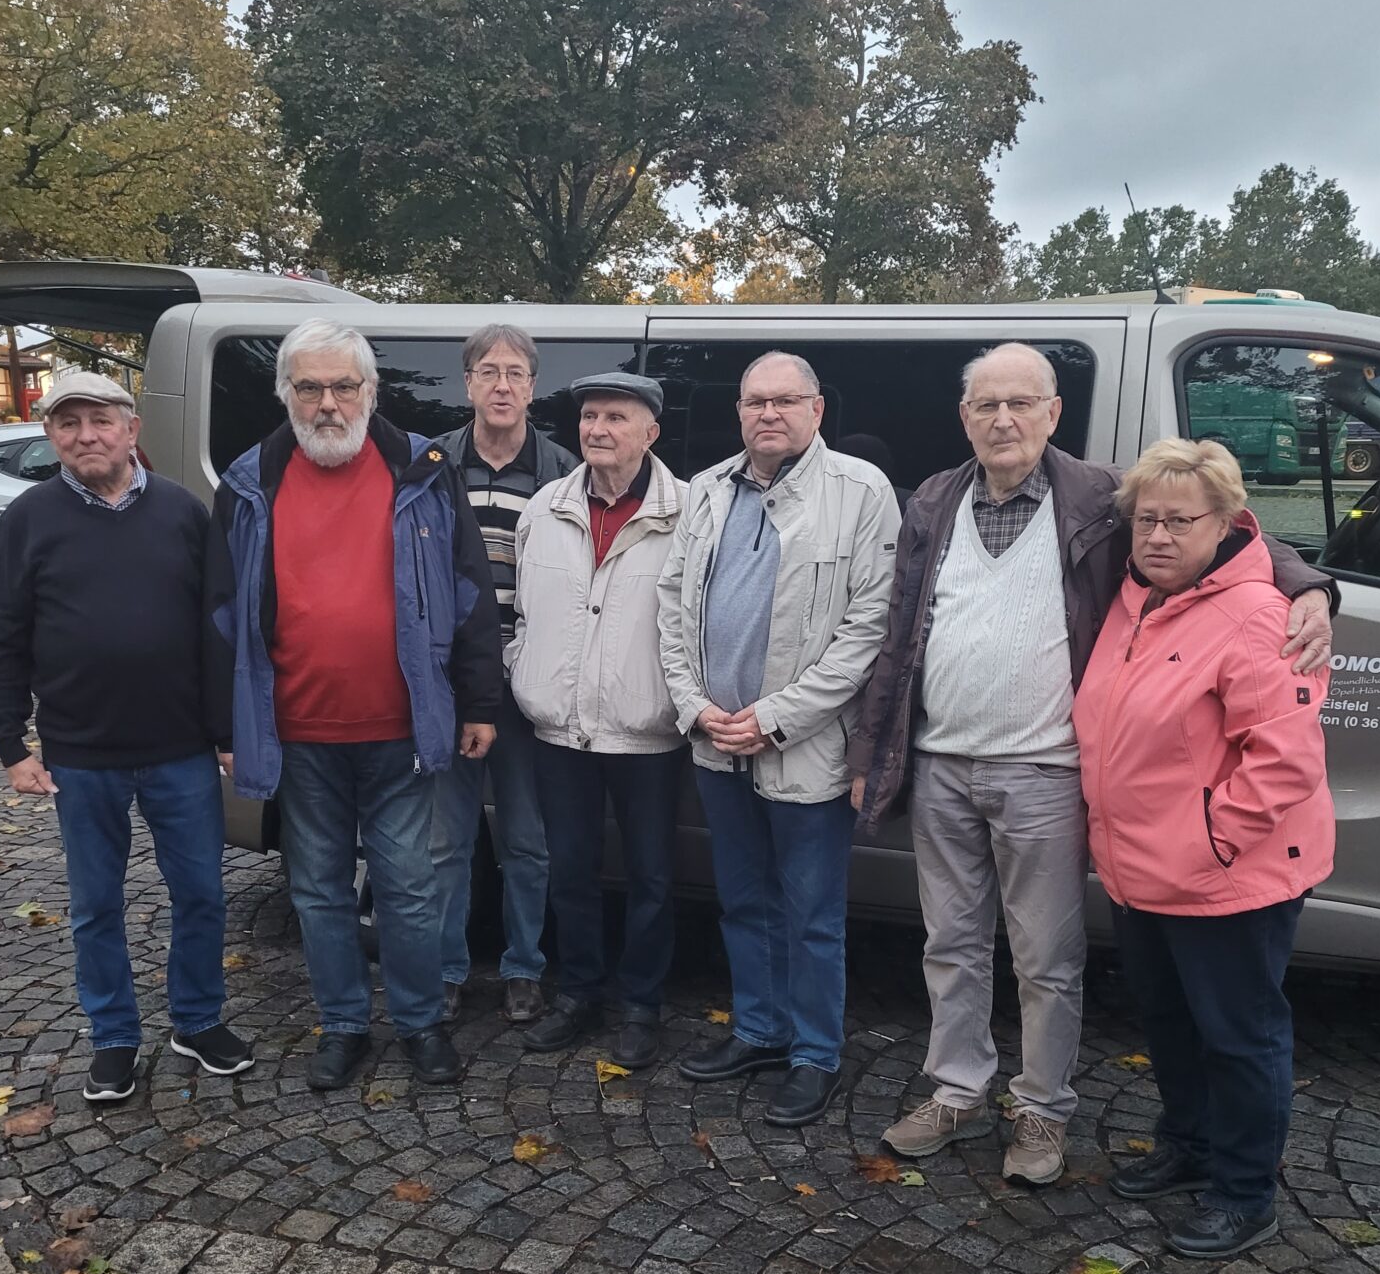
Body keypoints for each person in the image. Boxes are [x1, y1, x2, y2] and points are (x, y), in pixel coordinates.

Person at [850, 343, 1334, 1185]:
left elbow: (1215, 530)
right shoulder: (934, 498)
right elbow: (899, 639)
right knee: (951, 945)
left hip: (1044, 772)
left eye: (1022, 403)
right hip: (941, 764)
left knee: (1046, 958)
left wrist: (1311, 584)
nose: (1003, 419)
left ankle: (1042, 1112)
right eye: (986, 405)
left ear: (1053, 413)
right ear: (963, 418)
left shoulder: (1099, 498)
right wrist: (873, 749)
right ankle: (957, 1090)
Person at [208, 320, 501, 1091]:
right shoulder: (248, 482)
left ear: (370, 391)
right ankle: (342, 1025)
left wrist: (478, 701)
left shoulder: (424, 471)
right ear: (287, 395)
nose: (329, 403)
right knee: (317, 891)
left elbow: (471, 594)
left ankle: (418, 1022)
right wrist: (226, 727)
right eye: (311, 387)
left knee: (409, 888)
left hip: (401, 730)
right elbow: (218, 616)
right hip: (297, 735)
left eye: (344, 386)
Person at [1073, 439, 1334, 1257]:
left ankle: (1246, 1191)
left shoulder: (1258, 614)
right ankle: (1188, 1145)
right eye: (1146, 520)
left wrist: (1210, 844)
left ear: (1224, 523)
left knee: (1240, 1034)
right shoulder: (1135, 596)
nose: (1157, 536)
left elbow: (1284, 759)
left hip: (1228, 877)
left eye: (1179, 522)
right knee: (1170, 1021)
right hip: (1140, 868)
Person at [0, 370, 252, 1104]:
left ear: (132, 429)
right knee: (95, 904)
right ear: (51, 438)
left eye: (100, 420)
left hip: (180, 751)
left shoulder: (182, 513)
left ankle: (196, 1021)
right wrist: (11, 744)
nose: (86, 435)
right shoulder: (28, 519)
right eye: (68, 424)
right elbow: (2, 637)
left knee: (200, 895)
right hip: (81, 755)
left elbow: (216, 629)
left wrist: (227, 731)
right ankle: (114, 1037)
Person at [657, 351, 900, 1125]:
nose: (770, 413)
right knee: (742, 902)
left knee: (812, 913)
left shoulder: (861, 492)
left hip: (804, 747)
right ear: (738, 410)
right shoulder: (705, 492)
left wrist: (776, 715)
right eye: (756, 401)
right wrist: (695, 705)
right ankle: (758, 1030)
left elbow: (869, 630)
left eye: (786, 401)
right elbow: (671, 610)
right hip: (716, 743)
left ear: (817, 409)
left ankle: (813, 1054)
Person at [505, 373, 688, 1068]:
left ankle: (641, 1005)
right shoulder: (545, 508)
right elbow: (524, 612)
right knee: (570, 872)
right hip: (560, 728)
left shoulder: (689, 512)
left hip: (649, 730)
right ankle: (577, 993)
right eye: (588, 416)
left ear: (651, 432)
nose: (598, 429)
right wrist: (529, 673)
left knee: (651, 879)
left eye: (616, 416)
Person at [432, 326, 577, 1024]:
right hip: (448, 682)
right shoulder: (431, 464)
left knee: (526, 839)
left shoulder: (562, 471)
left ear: (532, 386)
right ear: (468, 384)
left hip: (527, 679)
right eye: (487, 372)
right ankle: (447, 971)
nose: (501, 385)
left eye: (515, 373)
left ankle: (524, 968)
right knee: (448, 843)